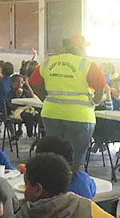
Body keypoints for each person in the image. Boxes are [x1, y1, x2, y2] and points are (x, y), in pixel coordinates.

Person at [29, 35, 107, 169]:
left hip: (51, 114)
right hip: (79, 117)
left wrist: (46, 99)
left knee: (54, 156)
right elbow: (101, 88)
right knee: (76, 158)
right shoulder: (87, 65)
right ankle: (74, 185)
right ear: (78, 47)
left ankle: (54, 186)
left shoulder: (48, 62)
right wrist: (94, 102)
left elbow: (35, 83)